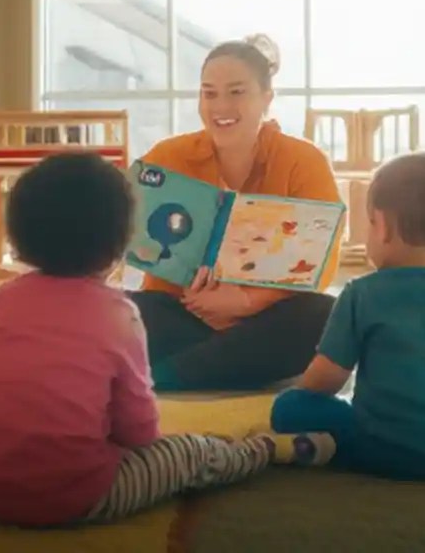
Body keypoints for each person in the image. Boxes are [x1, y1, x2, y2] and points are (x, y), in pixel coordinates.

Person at [0, 153, 332, 527]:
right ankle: (262, 451)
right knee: (187, 454)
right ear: (120, 245)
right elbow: (140, 432)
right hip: (74, 495)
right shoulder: (117, 314)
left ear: (19, 234)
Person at [270, 152, 425, 481]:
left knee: (288, 409)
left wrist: (299, 394)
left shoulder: (361, 294)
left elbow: (325, 380)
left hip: (386, 450)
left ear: (382, 226)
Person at [130, 35, 342, 391]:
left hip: (265, 322)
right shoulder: (166, 156)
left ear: (267, 98)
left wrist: (246, 301)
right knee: (122, 311)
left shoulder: (305, 161)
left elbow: (322, 262)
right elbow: (135, 240)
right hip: (182, 313)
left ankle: (167, 376)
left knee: (326, 315)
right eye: (209, 93)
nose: (220, 106)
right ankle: (216, 366)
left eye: (236, 92)